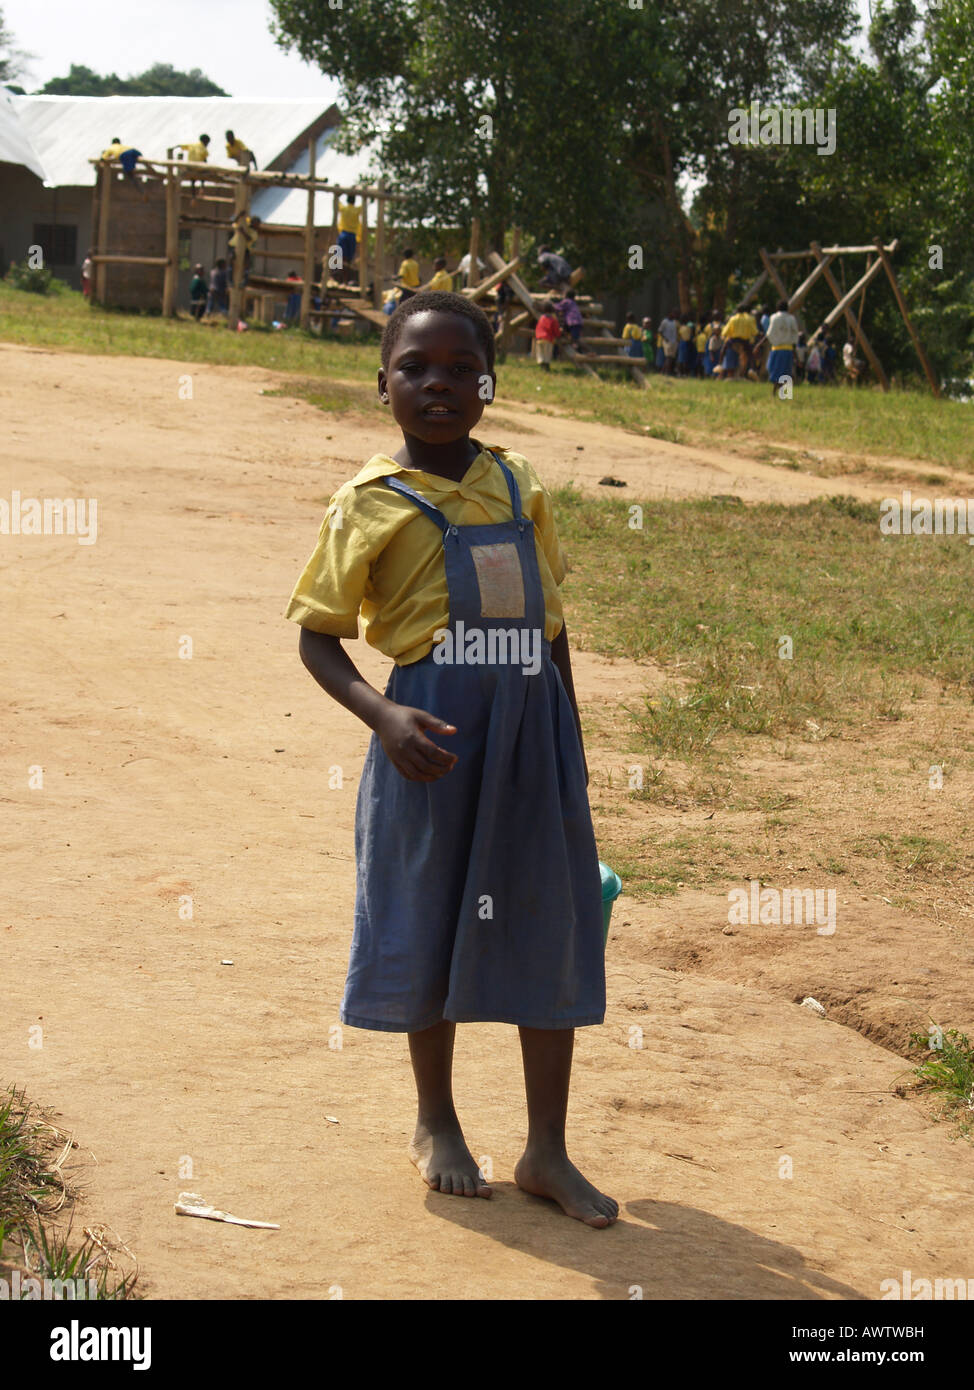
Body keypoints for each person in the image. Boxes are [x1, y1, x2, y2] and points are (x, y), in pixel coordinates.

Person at [285, 291, 615, 1228]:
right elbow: (317, 639)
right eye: (417, 368)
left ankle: (547, 1147)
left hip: (531, 734)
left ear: (489, 384)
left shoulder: (520, 486)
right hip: (431, 738)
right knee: (427, 914)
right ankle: (437, 1119)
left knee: (551, 922)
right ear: (381, 383)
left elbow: (551, 629)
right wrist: (383, 717)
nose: (440, 384)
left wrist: (570, 743)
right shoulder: (367, 505)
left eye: (462, 369)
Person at [764, 299, 800, 396]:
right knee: (785, 372)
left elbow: (769, 333)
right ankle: (784, 393)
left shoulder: (774, 317)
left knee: (774, 370)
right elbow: (795, 333)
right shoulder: (791, 318)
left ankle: (776, 392)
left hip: (776, 348)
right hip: (788, 349)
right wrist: (793, 344)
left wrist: (775, 342)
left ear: (777, 308)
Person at [719, 304, 758, 379]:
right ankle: (752, 369)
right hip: (745, 341)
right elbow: (754, 332)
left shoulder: (733, 319)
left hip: (733, 341)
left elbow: (724, 332)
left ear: (736, 311)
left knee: (723, 350)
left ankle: (719, 365)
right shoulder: (749, 319)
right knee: (751, 355)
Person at [228, 213, 261, 284]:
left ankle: (245, 280)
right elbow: (234, 222)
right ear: (252, 222)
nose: (258, 226)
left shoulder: (254, 232)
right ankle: (230, 278)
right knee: (231, 259)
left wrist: (242, 232)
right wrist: (239, 215)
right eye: (257, 223)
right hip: (235, 245)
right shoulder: (244, 224)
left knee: (247, 263)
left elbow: (249, 239)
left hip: (246, 248)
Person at [336, 194, 361, 285]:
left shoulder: (344, 209)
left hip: (343, 234)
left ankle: (340, 278)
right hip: (352, 236)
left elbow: (337, 202)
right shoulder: (356, 210)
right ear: (354, 201)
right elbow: (364, 206)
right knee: (349, 259)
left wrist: (338, 193)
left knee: (340, 256)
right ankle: (345, 280)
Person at [534, 301, 561, 370]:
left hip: (539, 338)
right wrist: (558, 335)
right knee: (547, 353)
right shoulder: (553, 320)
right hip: (548, 339)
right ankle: (546, 366)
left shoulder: (541, 318)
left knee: (540, 352)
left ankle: (541, 364)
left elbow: (538, 328)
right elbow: (556, 330)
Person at [658, 307, 679, 375]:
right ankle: (667, 372)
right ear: (670, 313)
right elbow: (660, 331)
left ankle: (663, 371)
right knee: (668, 357)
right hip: (667, 342)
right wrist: (665, 338)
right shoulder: (665, 321)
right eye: (673, 313)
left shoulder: (674, 322)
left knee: (671, 358)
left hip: (674, 342)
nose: (674, 315)